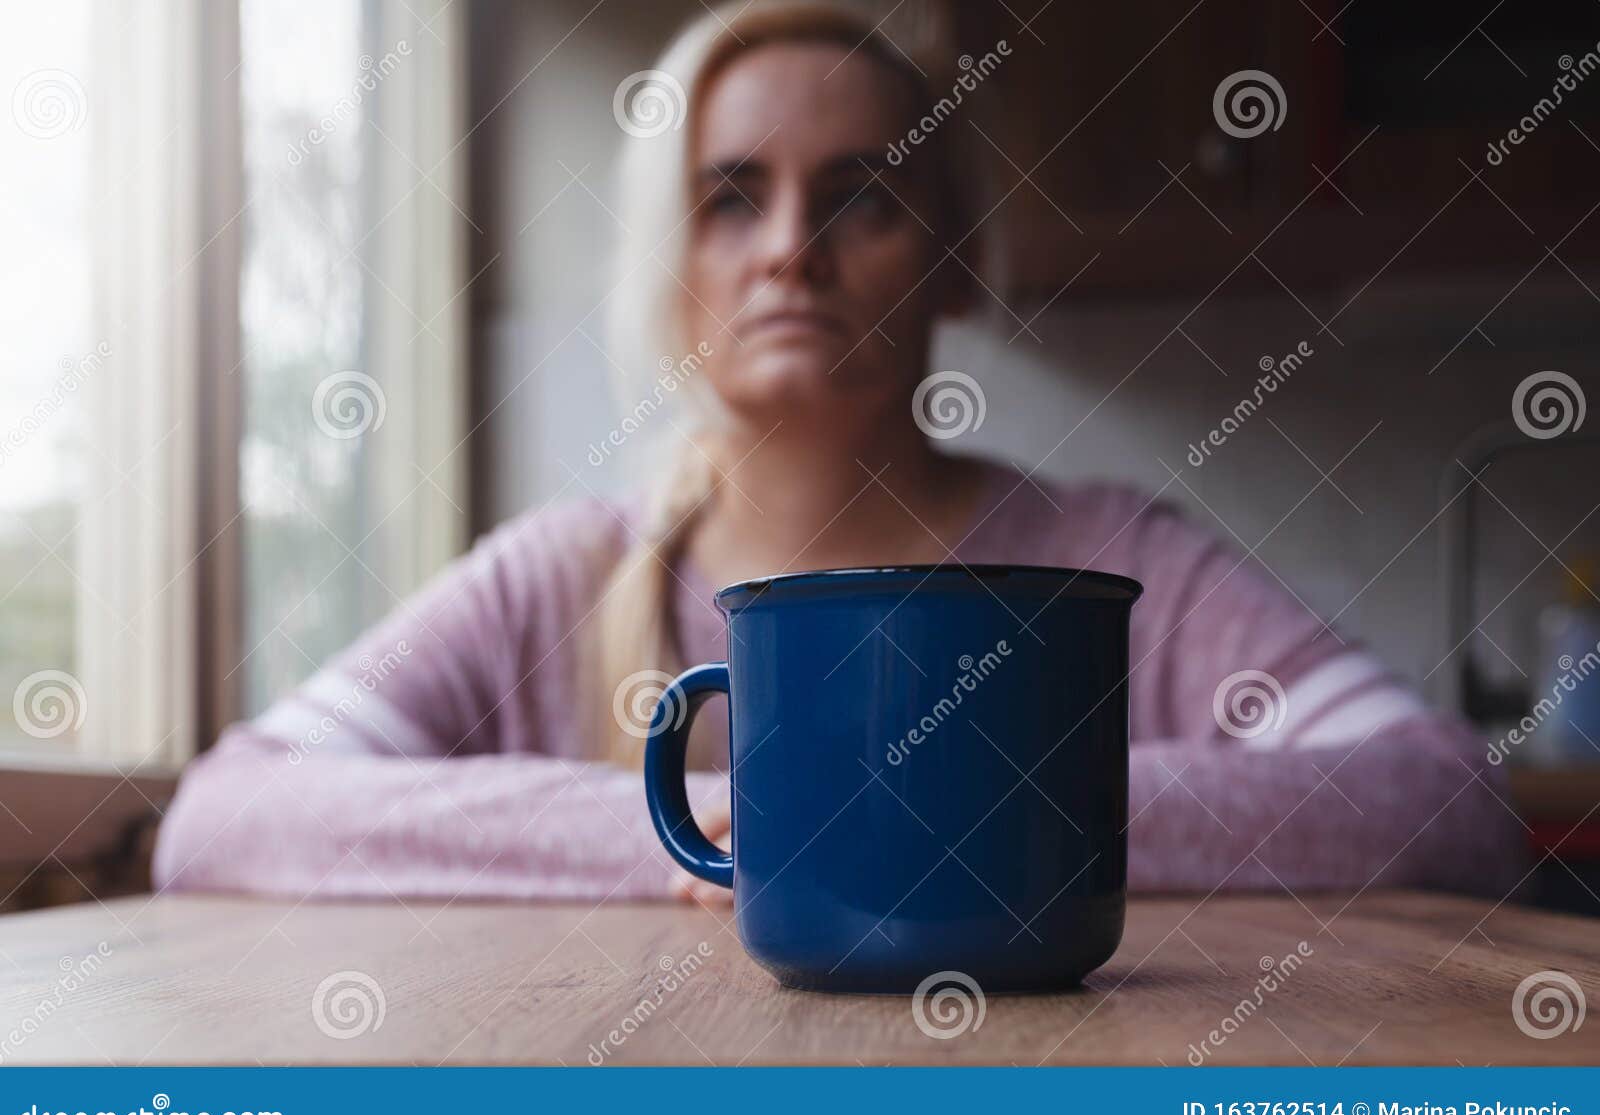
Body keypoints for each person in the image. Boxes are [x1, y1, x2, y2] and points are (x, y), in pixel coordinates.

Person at [153, 0, 1522, 907]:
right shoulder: (556, 579)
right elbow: (226, 817)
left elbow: (1441, 801)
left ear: (948, 265)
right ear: (668, 269)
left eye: (862, 197)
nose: (792, 251)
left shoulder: (1111, 561)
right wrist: (690, 830)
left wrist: (910, 810)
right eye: (729, 197)